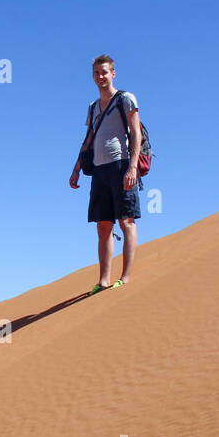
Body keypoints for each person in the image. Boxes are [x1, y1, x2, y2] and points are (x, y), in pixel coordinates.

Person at [69, 54, 143, 292]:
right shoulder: (92, 108)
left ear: (113, 73)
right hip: (99, 171)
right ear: (93, 76)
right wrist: (76, 168)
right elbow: (88, 139)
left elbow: (136, 133)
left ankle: (127, 277)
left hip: (121, 165)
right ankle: (103, 280)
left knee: (126, 221)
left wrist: (132, 166)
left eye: (105, 72)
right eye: (97, 73)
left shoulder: (125, 99)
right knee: (103, 225)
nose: (101, 77)